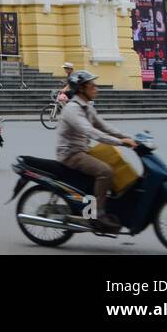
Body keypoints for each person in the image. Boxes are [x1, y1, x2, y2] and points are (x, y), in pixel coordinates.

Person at [56, 70, 137, 232]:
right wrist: (120, 142)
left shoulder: (87, 107)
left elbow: (104, 127)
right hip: (71, 154)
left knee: (115, 162)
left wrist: (131, 138)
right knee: (105, 171)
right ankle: (98, 214)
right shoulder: (72, 109)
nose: (96, 88)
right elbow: (91, 132)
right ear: (81, 89)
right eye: (92, 85)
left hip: (83, 150)